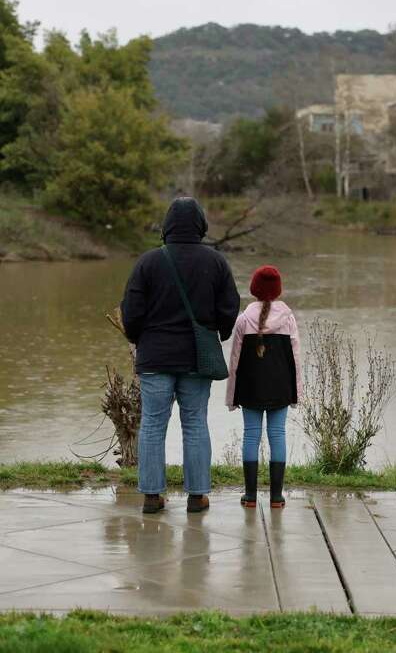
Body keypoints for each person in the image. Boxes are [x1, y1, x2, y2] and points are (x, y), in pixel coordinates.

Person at [120, 197, 240, 515]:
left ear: (167, 226)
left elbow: (131, 311)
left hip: (155, 356)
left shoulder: (148, 262)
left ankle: (151, 496)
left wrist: (138, 338)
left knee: (152, 424)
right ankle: (197, 496)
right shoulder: (215, 262)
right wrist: (219, 333)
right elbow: (230, 306)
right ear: (201, 225)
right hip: (197, 358)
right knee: (195, 422)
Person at [224, 265, 302, 509]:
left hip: (250, 388)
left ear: (254, 289)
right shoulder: (288, 319)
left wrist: (231, 396)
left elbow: (235, 360)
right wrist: (296, 393)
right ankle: (276, 497)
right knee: (277, 434)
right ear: (278, 290)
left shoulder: (243, 320)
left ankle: (250, 496)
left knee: (251, 435)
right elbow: (295, 358)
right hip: (280, 387)